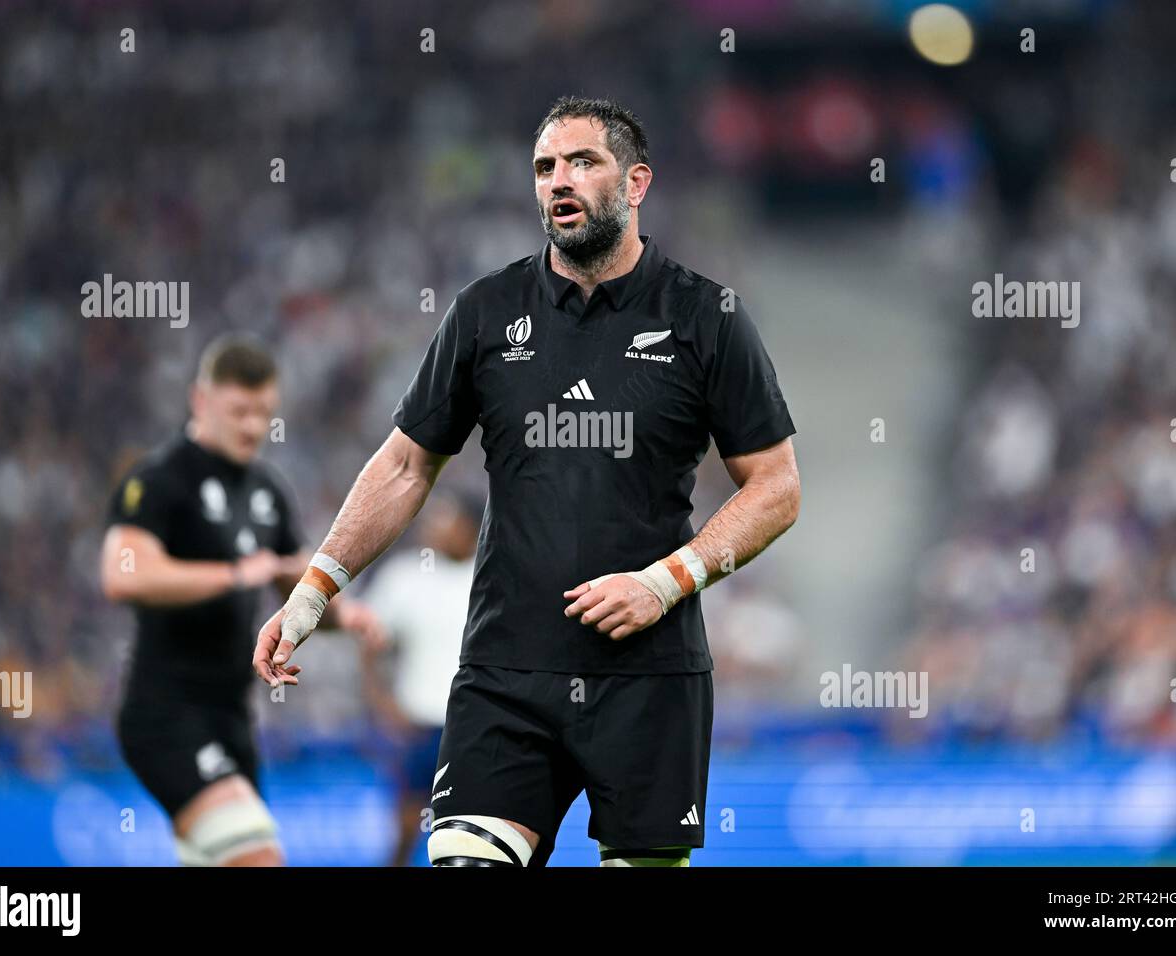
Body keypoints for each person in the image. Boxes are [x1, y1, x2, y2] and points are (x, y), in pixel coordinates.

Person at [253, 96, 801, 867]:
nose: (559, 181)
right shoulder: (486, 312)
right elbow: (408, 463)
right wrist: (314, 591)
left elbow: (776, 487)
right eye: (545, 167)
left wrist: (668, 580)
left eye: (583, 162)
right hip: (506, 674)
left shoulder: (705, 316)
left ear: (636, 183)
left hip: (649, 677)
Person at [101, 334, 371, 866]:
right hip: (166, 714)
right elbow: (121, 574)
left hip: (232, 720)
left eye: (263, 412)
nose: (253, 426)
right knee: (257, 856)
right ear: (200, 401)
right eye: (240, 411)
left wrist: (349, 615)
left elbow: (297, 590)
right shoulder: (159, 480)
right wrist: (233, 574)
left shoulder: (268, 490)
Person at [359, 492, 480, 866]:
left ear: (471, 527)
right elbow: (369, 645)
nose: (434, 527)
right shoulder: (405, 576)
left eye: (447, 518)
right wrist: (383, 705)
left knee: (477, 830)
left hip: (477, 722)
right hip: (421, 725)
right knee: (407, 827)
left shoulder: (491, 572)